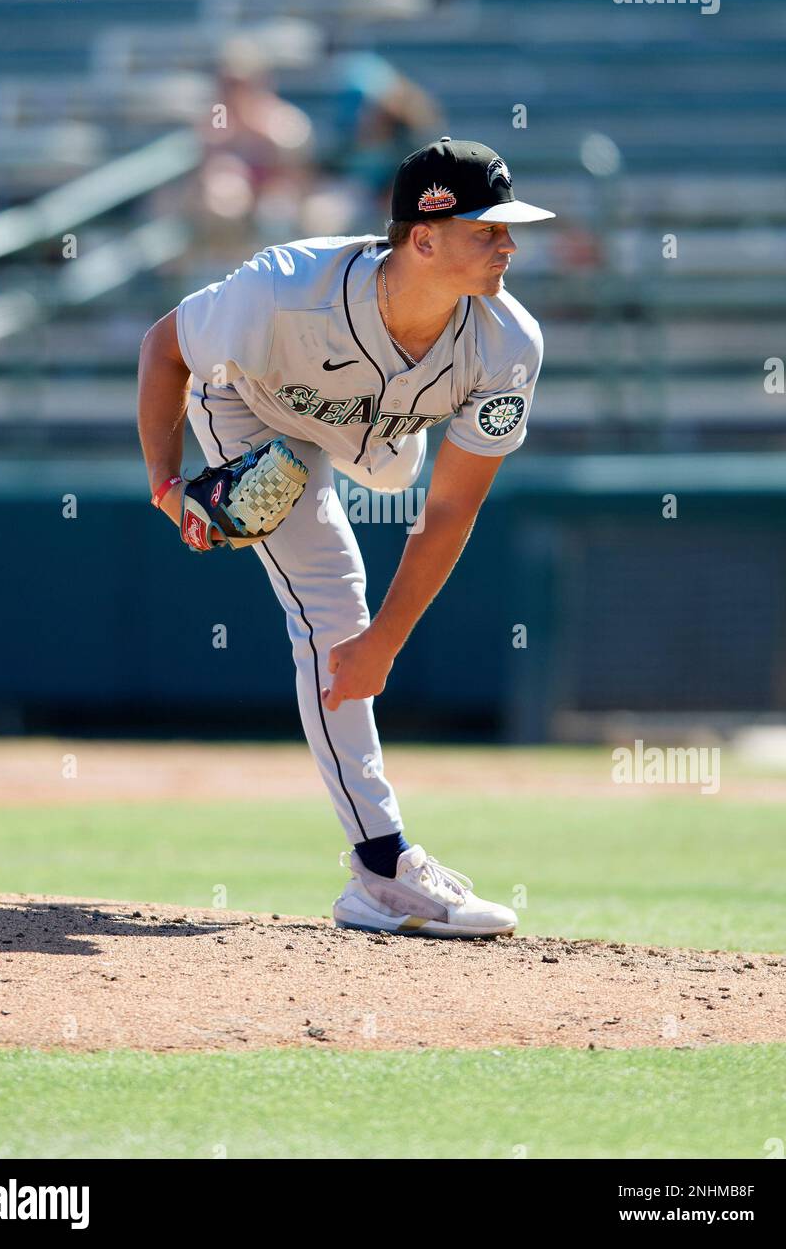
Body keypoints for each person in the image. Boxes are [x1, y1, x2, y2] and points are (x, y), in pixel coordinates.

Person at [137, 137, 554, 939]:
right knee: (333, 607)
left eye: (509, 228)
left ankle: (367, 446)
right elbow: (164, 348)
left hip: (379, 433)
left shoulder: (509, 343)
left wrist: (388, 645)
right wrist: (166, 485)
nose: (509, 243)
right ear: (423, 237)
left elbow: (450, 510)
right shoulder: (281, 291)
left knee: (398, 480)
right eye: (487, 229)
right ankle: (381, 870)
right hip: (255, 414)